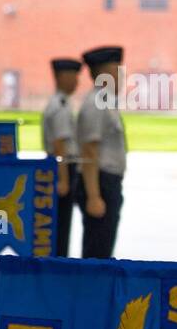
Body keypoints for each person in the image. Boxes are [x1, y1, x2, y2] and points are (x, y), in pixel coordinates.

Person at [76, 45, 127, 258]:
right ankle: (90, 291)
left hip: (107, 182)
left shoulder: (106, 101)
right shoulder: (96, 103)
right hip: (99, 183)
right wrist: (94, 196)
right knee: (97, 251)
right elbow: (89, 150)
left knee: (103, 249)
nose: (121, 78)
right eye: (117, 72)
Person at [42, 57, 81, 256]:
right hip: (62, 168)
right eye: (74, 77)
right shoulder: (59, 106)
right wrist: (64, 178)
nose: (77, 82)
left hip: (61, 167)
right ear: (62, 77)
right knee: (61, 224)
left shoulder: (61, 103)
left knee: (62, 222)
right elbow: (59, 144)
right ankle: (58, 261)